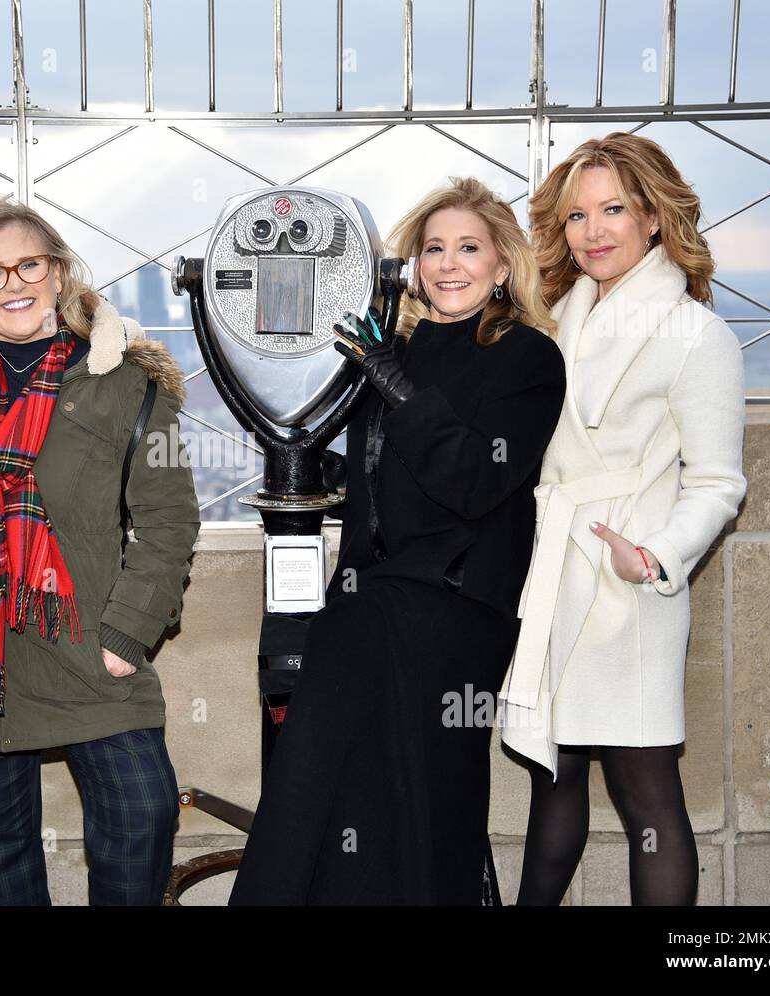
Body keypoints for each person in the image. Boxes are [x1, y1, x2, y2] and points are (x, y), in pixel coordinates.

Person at [229, 177, 566, 905]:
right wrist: (311, 456)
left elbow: (476, 480)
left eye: (468, 248)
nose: (448, 264)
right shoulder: (398, 353)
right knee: (357, 788)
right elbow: (394, 479)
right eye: (433, 249)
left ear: (503, 265)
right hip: (378, 595)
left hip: (452, 602)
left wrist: (391, 383)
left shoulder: (528, 359)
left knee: (407, 780)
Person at [0, 197, 199, 906]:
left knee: (143, 808)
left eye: (29, 264)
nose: (13, 283)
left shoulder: (123, 381)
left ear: (59, 271)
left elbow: (169, 517)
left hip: (81, 636)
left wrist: (127, 632)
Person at [500, 132, 747, 906]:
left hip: (626, 580)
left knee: (647, 792)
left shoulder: (696, 335)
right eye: (577, 216)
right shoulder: (551, 318)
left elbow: (716, 482)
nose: (594, 230)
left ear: (653, 216)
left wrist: (654, 557)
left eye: (614, 209)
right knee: (554, 773)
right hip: (550, 568)